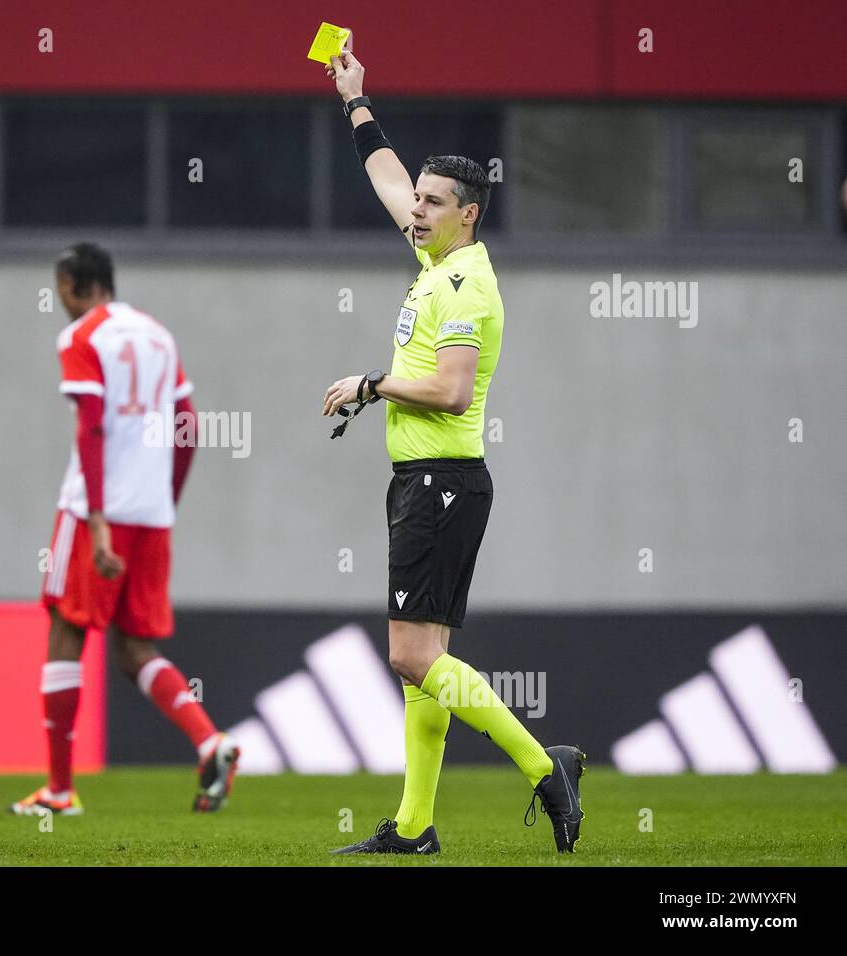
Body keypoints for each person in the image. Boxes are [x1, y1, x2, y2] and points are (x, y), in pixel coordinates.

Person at [320, 53, 586, 854]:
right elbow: (389, 179)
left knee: (408, 654)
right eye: (421, 199)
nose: (417, 211)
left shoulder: (466, 285)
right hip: (432, 483)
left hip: (442, 484)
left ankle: (548, 765)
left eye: (434, 203)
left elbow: (454, 390)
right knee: (426, 657)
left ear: (467, 214)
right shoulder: (437, 258)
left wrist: (371, 385)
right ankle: (413, 825)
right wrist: (356, 99)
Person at [10, 242, 239, 816]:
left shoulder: (81, 337)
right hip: (152, 514)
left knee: (66, 630)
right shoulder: (159, 335)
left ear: (68, 287)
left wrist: (97, 520)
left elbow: (90, 427)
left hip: (98, 512)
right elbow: (188, 424)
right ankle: (210, 740)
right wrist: (168, 501)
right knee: (135, 647)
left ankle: (60, 791)